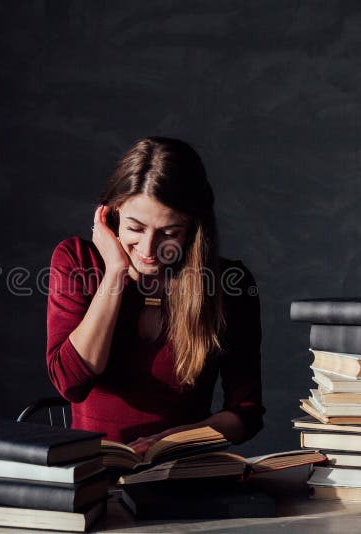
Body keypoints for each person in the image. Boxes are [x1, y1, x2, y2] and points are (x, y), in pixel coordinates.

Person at [46, 137, 264, 453]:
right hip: (96, 475)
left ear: (192, 229)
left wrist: (174, 441)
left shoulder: (229, 283)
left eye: (169, 233)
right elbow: (71, 383)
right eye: (136, 228)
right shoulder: (76, 261)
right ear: (113, 213)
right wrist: (115, 273)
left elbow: (246, 412)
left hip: (182, 471)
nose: (149, 249)